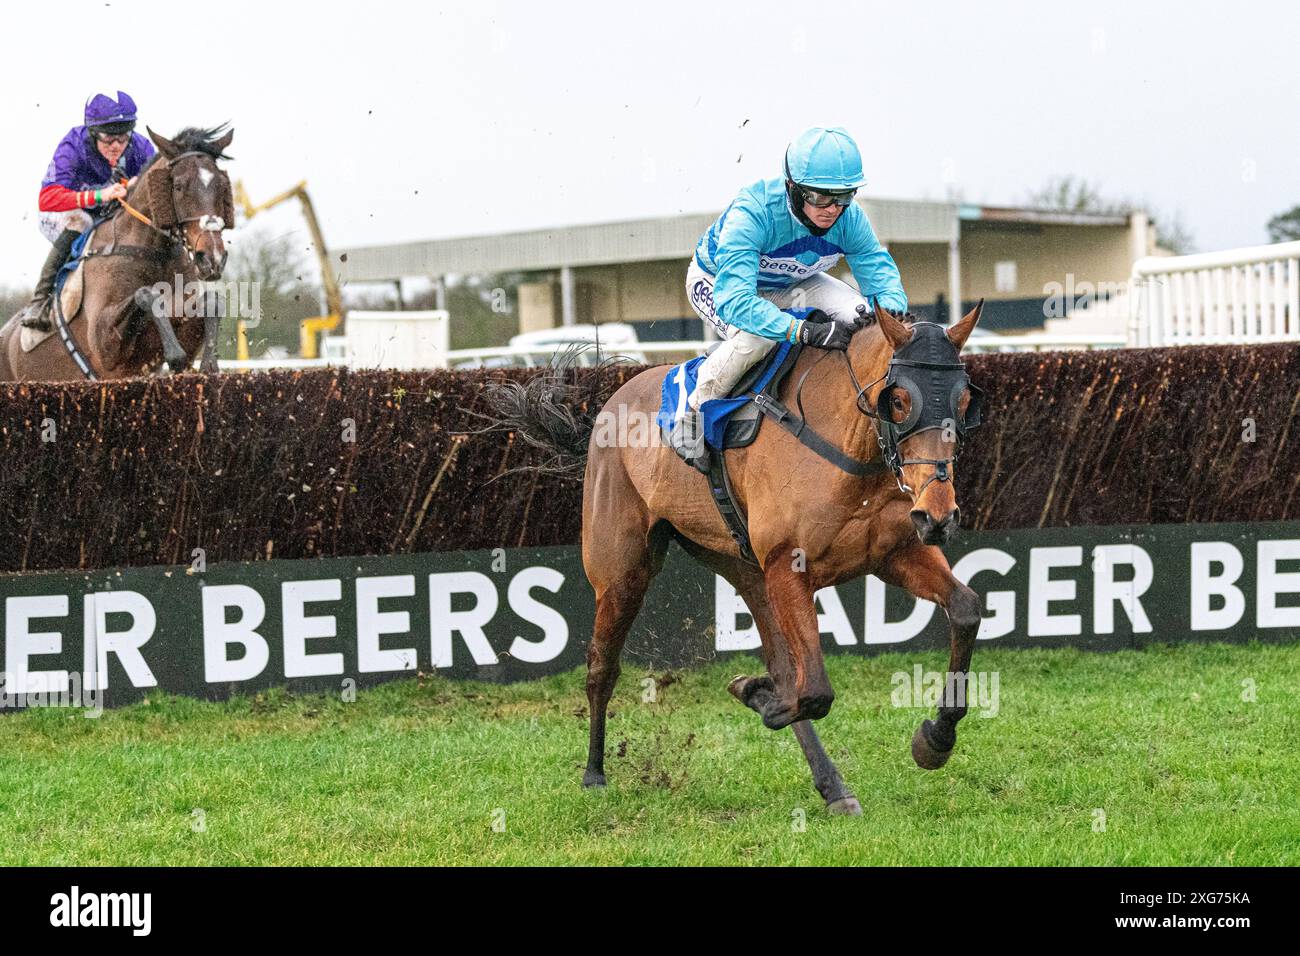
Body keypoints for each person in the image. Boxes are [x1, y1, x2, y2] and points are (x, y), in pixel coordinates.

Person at [674, 126, 909, 469]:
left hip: (796, 281)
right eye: (819, 197)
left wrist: (896, 327)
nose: (832, 209)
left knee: (865, 319)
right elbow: (735, 301)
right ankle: (694, 411)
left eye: (844, 196)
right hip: (720, 285)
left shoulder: (851, 219)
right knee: (758, 338)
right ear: (792, 189)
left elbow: (884, 286)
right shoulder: (752, 213)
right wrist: (804, 331)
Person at [18, 91, 155, 331]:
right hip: (65, 211)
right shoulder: (73, 145)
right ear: (93, 133)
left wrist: (137, 186)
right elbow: (47, 199)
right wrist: (99, 195)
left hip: (108, 214)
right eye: (108, 139)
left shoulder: (141, 147)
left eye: (123, 138)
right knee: (80, 222)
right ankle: (39, 301)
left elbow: (156, 187)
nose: (116, 146)